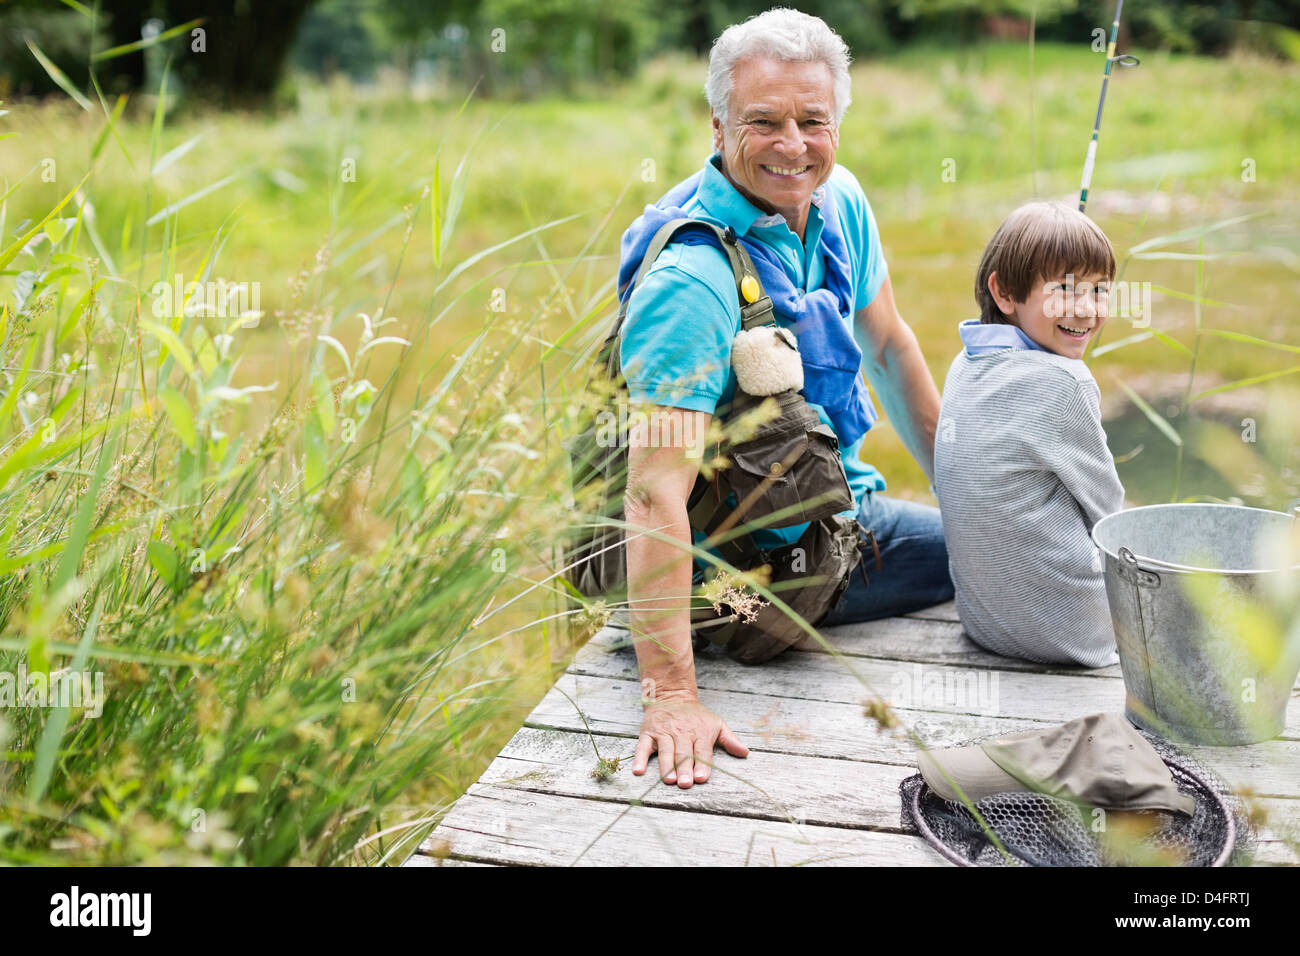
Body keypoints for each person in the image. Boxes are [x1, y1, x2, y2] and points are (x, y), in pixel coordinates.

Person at [617, 8, 953, 791]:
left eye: (813, 120)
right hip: (746, 574)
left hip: (833, 512)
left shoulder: (840, 204)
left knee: (996, 540)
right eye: (763, 122)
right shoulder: (691, 281)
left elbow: (892, 346)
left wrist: (964, 496)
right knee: (1019, 566)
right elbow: (649, 489)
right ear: (717, 126)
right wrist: (671, 696)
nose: (793, 146)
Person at [933, 199, 1125, 669]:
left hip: (987, 624)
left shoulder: (964, 363)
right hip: (1079, 634)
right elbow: (1110, 515)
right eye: (1064, 288)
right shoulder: (1067, 383)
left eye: (1099, 290)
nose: (1085, 309)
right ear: (1004, 293)